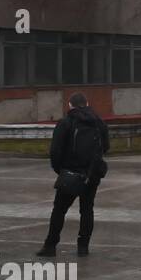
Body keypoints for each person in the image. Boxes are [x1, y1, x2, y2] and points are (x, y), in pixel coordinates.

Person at [38, 93, 109, 257]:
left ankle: (50, 246)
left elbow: (55, 151)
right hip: (92, 174)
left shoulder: (66, 123)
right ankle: (83, 247)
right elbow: (105, 147)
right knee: (87, 210)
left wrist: (61, 170)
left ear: (70, 105)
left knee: (59, 210)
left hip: (70, 173)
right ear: (87, 103)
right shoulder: (98, 122)